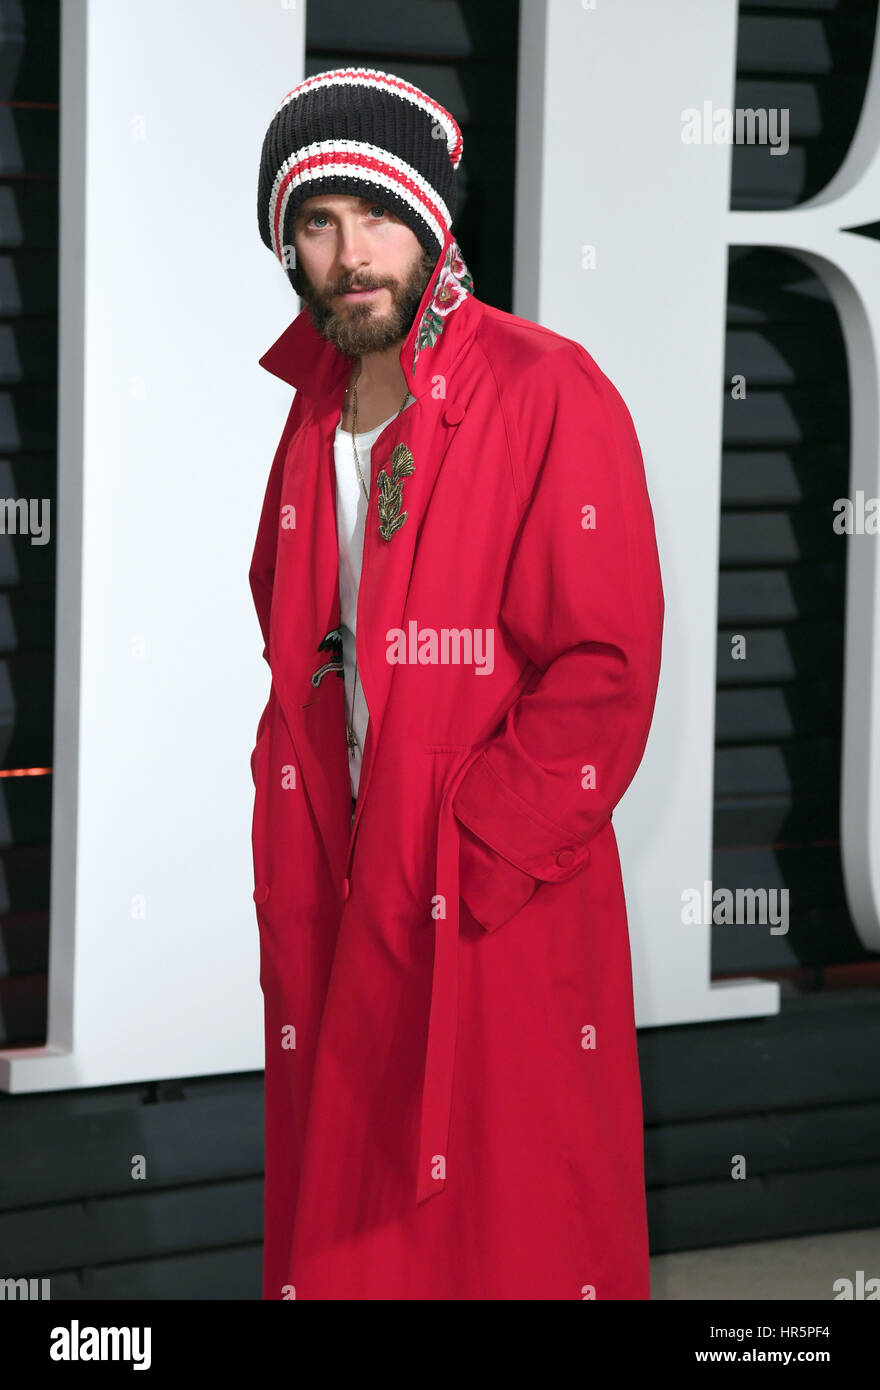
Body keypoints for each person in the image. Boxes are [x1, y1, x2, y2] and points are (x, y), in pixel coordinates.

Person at [251, 66, 665, 1300]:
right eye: (317, 223)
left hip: (489, 887)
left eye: (377, 215)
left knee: (510, 1222)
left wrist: (476, 841)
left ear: (434, 222)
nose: (350, 254)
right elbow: (298, 621)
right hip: (339, 866)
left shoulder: (544, 386)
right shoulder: (313, 411)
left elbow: (605, 661)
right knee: (348, 1212)